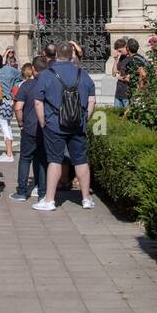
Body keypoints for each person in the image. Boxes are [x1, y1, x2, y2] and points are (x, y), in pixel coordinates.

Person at [33, 41, 96, 212]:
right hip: (77, 124)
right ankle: (86, 198)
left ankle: (49, 200)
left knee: (54, 160)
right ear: (71, 55)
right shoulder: (82, 74)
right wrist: (85, 118)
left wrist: (43, 122)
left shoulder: (47, 74)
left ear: (57, 55)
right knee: (81, 160)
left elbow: (38, 102)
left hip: (54, 124)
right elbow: (92, 100)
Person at [9, 56, 48, 201]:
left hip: (29, 127)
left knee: (25, 158)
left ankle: (22, 191)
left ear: (33, 69)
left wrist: (20, 123)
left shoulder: (26, 85)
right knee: (43, 159)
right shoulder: (50, 83)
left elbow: (18, 107)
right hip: (46, 128)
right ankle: (43, 192)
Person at [0, 49, 22, 161]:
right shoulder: (15, 71)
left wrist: (5, 53)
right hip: (10, 100)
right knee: (7, 124)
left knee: (4, 124)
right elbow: (19, 81)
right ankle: (9, 152)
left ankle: (9, 154)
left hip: (3, 101)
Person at [111, 37, 129, 110]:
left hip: (127, 93)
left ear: (125, 47)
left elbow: (129, 78)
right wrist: (115, 60)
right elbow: (113, 73)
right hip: (118, 92)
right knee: (116, 115)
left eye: (120, 51)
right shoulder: (121, 57)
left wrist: (120, 78)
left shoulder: (131, 58)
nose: (119, 53)